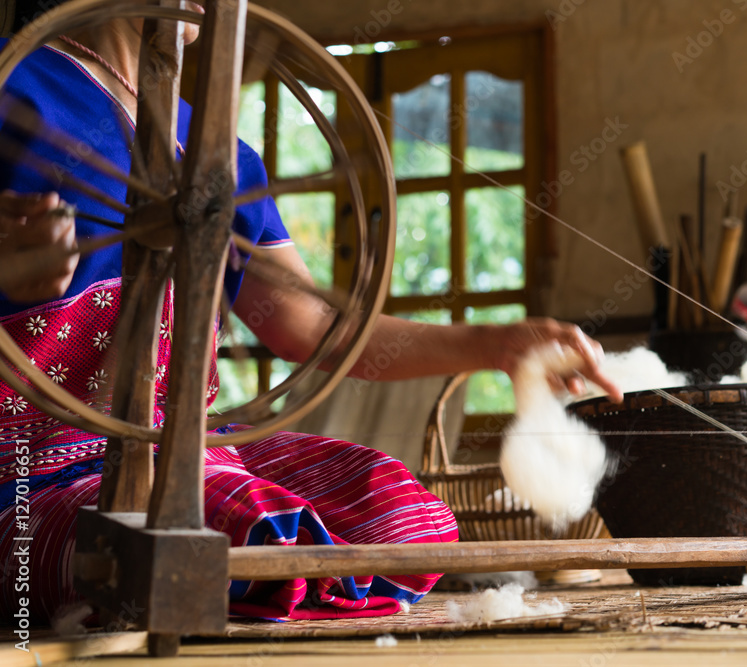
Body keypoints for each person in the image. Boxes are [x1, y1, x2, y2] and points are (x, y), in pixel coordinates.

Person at [0, 1, 621, 623]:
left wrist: (497, 346)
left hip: (190, 454)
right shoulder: (15, 92)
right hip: (28, 475)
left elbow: (316, 327)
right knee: (232, 528)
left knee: (404, 512)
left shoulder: (220, 154)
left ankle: (205, 584)